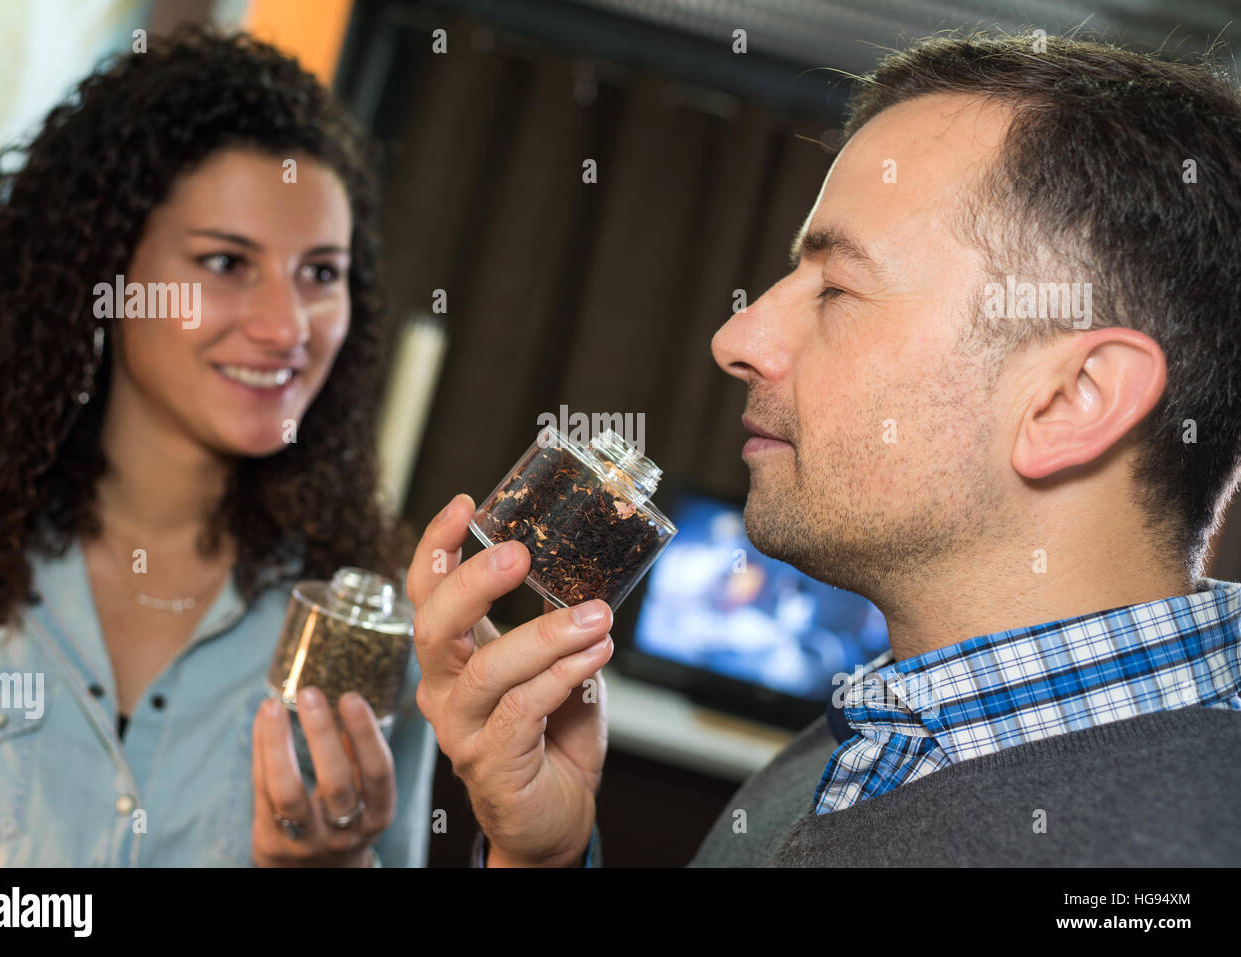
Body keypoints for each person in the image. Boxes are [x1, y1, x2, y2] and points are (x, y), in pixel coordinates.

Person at [406, 31, 1241, 866]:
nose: (736, 336)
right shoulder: (869, 731)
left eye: (836, 287)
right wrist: (543, 854)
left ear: (1071, 399)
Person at [0, 27, 436, 866]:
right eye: (225, 261)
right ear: (105, 274)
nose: (286, 328)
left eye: (321, 273)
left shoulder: (368, 634)